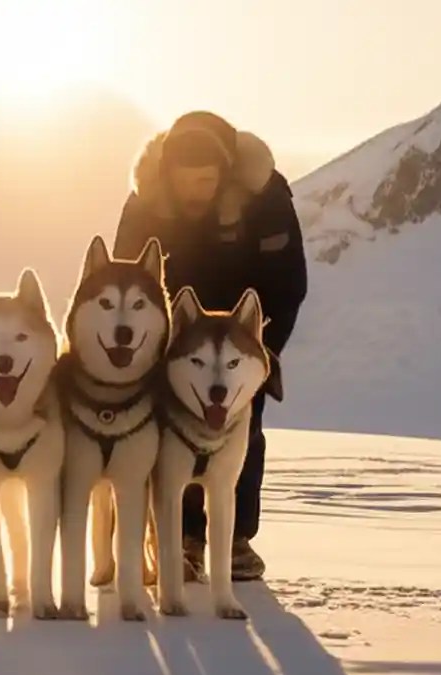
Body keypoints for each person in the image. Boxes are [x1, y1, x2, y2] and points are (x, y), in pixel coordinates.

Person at [113, 110, 307, 582]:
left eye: (205, 180)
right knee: (161, 434)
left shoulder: (266, 199)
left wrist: (259, 357)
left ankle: (235, 539)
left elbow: (287, 285)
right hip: (169, 341)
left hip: (241, 335)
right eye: (185, 181)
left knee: (243, 427)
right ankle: (176, 537)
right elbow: (124, 281)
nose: (195, 190)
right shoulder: (145, 202)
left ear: (224, 173)